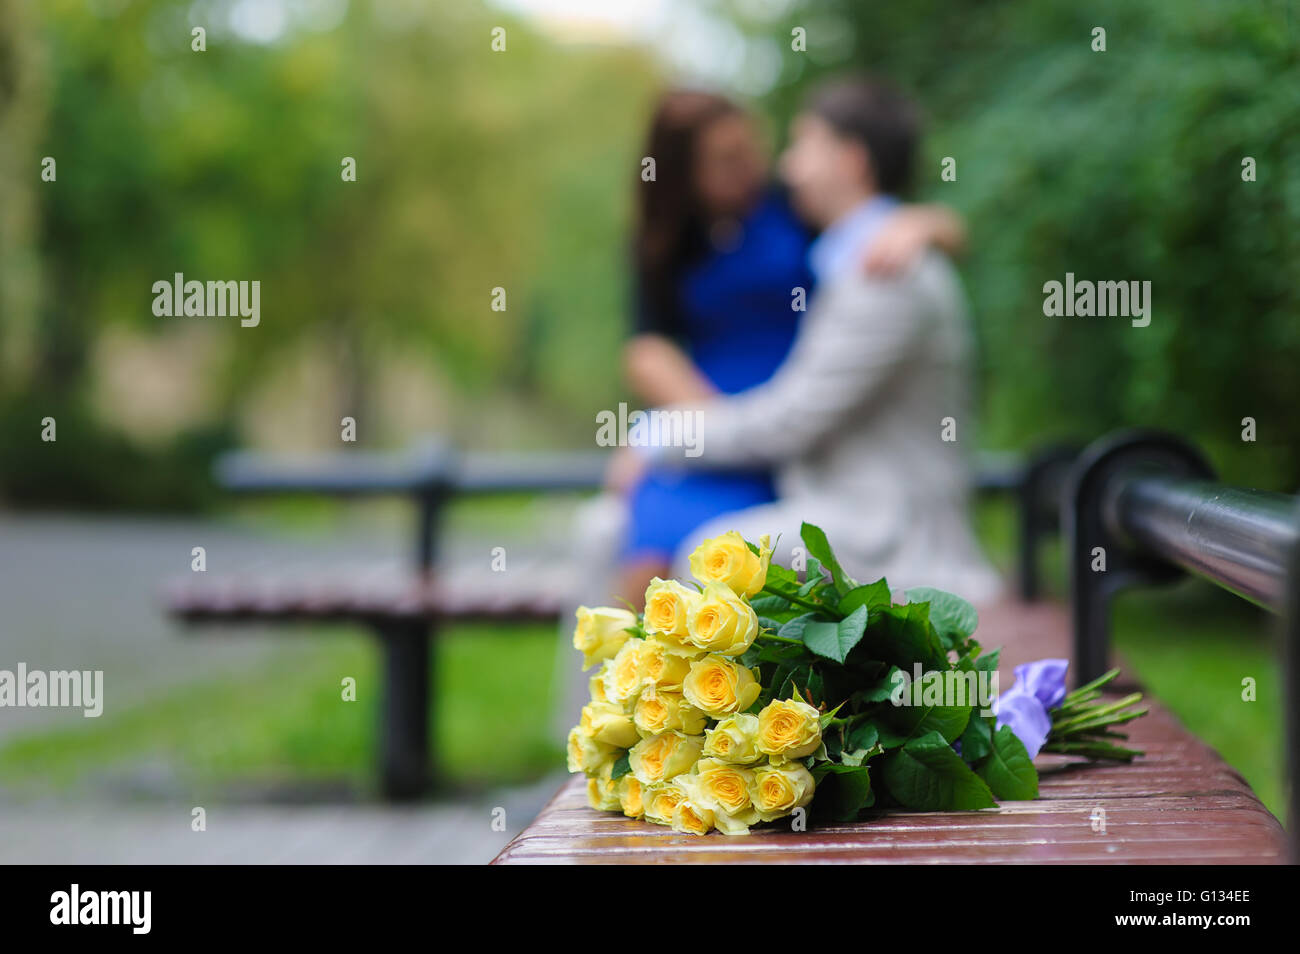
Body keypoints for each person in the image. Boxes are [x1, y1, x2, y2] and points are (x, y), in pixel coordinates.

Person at [628, 76, 1003, 605]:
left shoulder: (883, 271)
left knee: (708, 557)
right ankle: (620, 688)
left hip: (885, 532)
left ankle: (673, 690)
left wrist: (658, 435)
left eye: (803, 145)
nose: (784, 166)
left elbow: (792, 420)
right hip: (773, 453)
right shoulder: (850, 259)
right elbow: (647, 343)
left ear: (849, 160)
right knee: (628, 540)